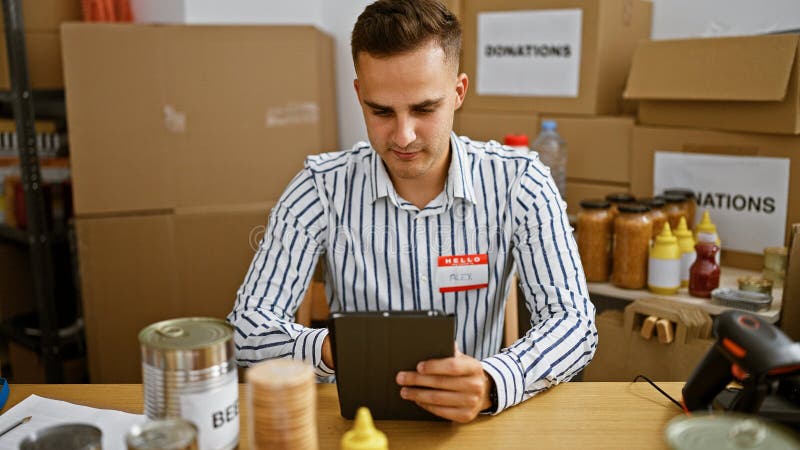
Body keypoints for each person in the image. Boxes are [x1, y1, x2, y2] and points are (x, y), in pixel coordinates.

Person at [227, 0, 597, 423]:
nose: (403, 136)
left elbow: (574, 323)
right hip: (359, 426)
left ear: (458, 92)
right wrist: (333, 350)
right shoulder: (319, 189)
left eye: (424, 109)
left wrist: (493, 380)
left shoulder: (520, 182)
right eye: (381, 111)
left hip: (474, 424)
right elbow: (246, 328)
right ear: (359, 95)